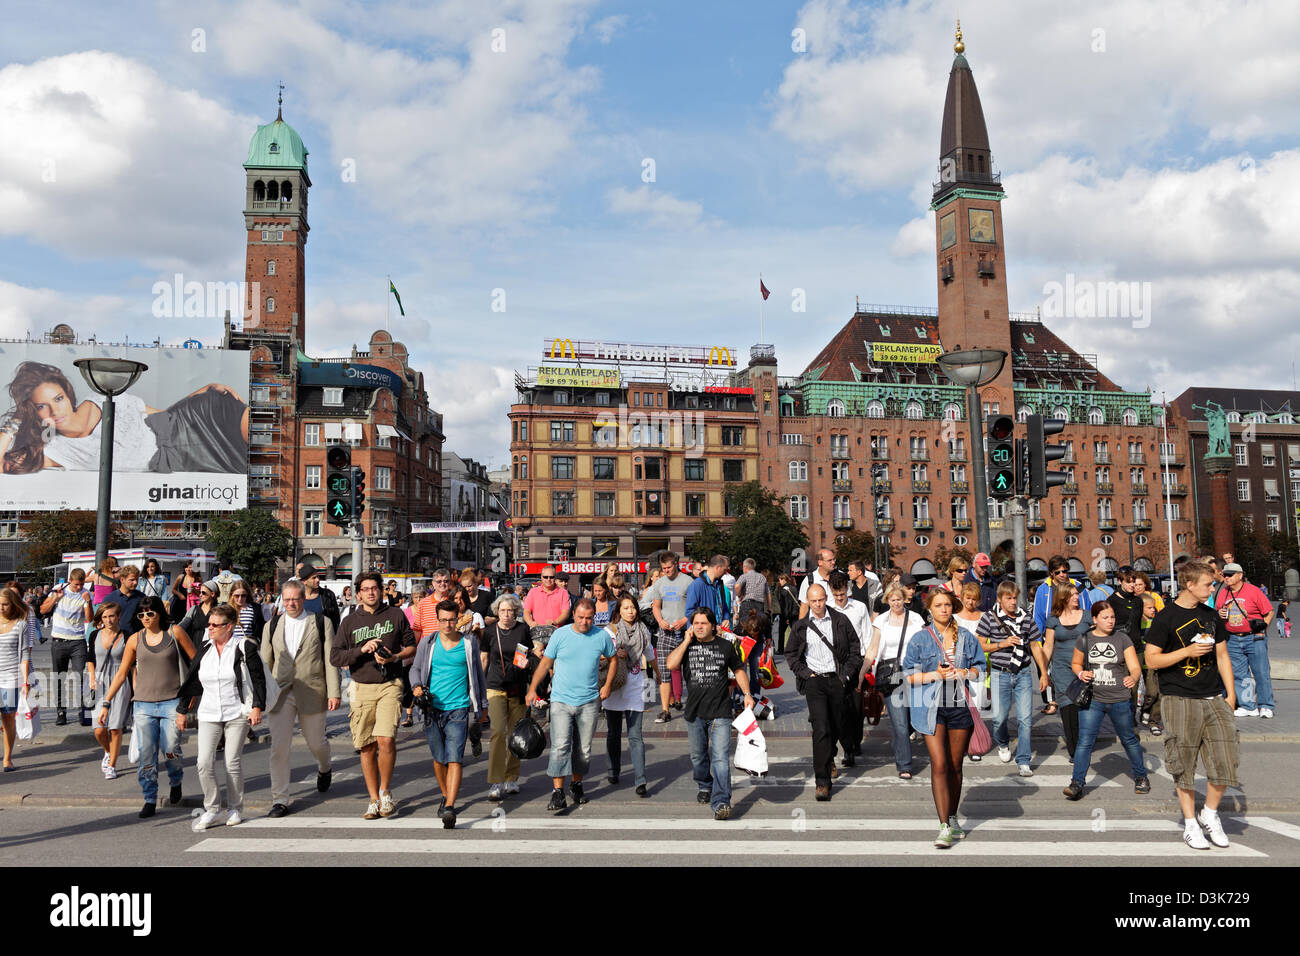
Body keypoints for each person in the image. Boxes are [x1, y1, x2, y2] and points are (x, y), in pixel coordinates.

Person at [0, 360, 248, 473]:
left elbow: (167, 414)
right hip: (181, 459)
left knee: (264, 438)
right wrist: (16, 422)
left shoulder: (106, 395)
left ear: (68, 394)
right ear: (33, 412)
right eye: (42, 406)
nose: (55, 411)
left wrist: (203, 391)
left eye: (58, 399)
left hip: (194, 418)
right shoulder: (55, 449)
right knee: (250, 462)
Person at [1144, 560, 1239, 849]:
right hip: (1179, 698)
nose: (1213, 588)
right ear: (1190, 585)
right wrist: (1186, 651)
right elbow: (1151, 660)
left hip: (1213, 697)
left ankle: (1209, 814)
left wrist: (1231, 694)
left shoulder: (1211, 615)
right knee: (1183, 763)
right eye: (1208, 584)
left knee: (1226, 761)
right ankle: (1190, 825)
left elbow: (1222, 655)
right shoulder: (1166, 618)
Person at [98, 595, 199, 818]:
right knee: (147, 754)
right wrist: (106, 702)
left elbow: (196, 661)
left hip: (172, 701)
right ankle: (149, 798)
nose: (145, 618)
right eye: (141, 614)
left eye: (150, 613)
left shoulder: (175, 633)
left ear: (159, 614)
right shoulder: (134, 639)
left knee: (171, 747)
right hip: (143, 704)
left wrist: (192, 691)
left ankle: (175, 780)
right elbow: (122, 672)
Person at [329, 571, 417, 820]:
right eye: (365, 589)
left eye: (374, 588)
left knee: (386, 740)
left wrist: (394, 657)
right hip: (361, 685)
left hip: (390, 683)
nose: (370, 592)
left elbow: (411, 645)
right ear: (358, 594)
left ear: (381, 591)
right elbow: (335, 657)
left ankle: (386, 792)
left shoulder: (395, 615)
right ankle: (373, 799)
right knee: (366, 746)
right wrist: (361, 649)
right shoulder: (349, 622)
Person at [903, 589, 986, 849]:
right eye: (938, 605)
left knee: (955, 766)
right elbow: (908, 675)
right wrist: (934, 675)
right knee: (938, 764)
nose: (944, 609)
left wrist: (965, 671)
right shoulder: (920, 639)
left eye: (948, 605)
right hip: (931, 707)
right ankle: (944, 826)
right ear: (930, 609)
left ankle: (953, 814)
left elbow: (981, 669)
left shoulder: (966, 638)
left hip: (959, 706)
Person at [177, 603, 266, 830]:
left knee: (231, 762)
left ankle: (235, 808)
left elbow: (257, 679)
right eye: (209, 624)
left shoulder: (243, 647)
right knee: (203, 763)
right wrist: (182, 710)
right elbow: (192, 681)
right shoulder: (205, 648)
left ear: (229, 626)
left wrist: (257, 707)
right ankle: (212, 808)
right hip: (208, 712)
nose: (210, 628)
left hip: (236, 712)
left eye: (215, 625)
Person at [525, 598, 615, 812]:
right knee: (560, 746)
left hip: (589, 700)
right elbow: (546, 662)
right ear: (573, 614)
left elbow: (613, 659)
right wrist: (532, 688)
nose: (584, 622)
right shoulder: (560, 634)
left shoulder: (601, 636)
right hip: (561, 699)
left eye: (589, 618)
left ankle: (576, 784)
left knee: (583, 748)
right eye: (581, 617)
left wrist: (608, 684)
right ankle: (557, 792)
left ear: (594, 617)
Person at [261, 580, 339, 818]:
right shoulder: (272, 625)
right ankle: (280, 799)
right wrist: (260, 696)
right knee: (279, 747)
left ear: (303, 598)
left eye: (295, 599)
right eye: (287, 599)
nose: (291, 603)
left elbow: (330, 659)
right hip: (280, 692)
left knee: (316, 742)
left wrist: (334, 691)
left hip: (312, 689)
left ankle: (324, 768)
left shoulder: (320, 622)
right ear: (281, 601)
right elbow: (265, 663)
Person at [666, 607, 752, 820]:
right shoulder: (687, 646)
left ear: (713, 625)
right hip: (695, 712)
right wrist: (686, 642)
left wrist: (748, 694)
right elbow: (670, 664)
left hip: (720, 712)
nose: (699, 627)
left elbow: (739, 670)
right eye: (696, 623)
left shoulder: (725, 646)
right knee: (698, 757)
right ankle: (705, 784)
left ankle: (722, 801)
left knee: (720, 759)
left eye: (704, 623)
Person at [410, 599, 486, 829]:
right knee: (439, 758)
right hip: (432, 709)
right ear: (437, 620)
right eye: (443, 620)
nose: (447, 624)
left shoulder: (469, 643)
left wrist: (481, 706)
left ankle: (450, 806)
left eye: (452, 620)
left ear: (457, 619)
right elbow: (415, 668)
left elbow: (478, 676)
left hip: (458, 708)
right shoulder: (428, 642)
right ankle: (445, 794)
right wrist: (415, 685)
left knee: (454, 757)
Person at [1062, 602, 1149, 799]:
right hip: (1093, 699)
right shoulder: (1084, 639)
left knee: (1129, 739)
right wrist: (1081, 672)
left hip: (1119, 698)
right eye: (1105, 617)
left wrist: (1133, 677)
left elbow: (1135, 667)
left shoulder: (1122, 638)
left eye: (1112, 617)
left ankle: (1141, 776)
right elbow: (1075, 663)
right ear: (1094, 620)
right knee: (1085, 741)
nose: (1110, 621)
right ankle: (1077, 783)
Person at [785, 583, 863, 801]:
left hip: (837, 680)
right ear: (808, 602)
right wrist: (805, 673)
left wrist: (845, 674)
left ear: (825, 598)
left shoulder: (840, 621)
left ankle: (829, 757)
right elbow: (790, 653)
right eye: (813, 601)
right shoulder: (802, 626)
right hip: (815, 683)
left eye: (820, 600)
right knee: (821, 729)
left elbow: (856, 650)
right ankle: (822, 782)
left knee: (837, 726)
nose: (818, 605)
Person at [976, 581, 1048, 776]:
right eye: (1008, 598)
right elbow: (980, 645)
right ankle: (1003, 742)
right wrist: (1002, 644)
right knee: (999, 719)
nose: (1013, 601)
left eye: (1015, 597)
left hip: (1023, 672)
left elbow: (1035, 645)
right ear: (1000, 599)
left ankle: (1023, 760)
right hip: (1000, 672)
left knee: (1025, 719)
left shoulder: (1026, 618)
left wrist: (1043, 674)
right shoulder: (989, 618)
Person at [864, 583, 925, 778]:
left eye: (899, 599)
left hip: (914, 672)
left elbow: (925, 644)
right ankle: (905, 765)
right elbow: (873, 648)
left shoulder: (916, 619)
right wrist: (862, 673)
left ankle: (900, 742)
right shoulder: (881, 621)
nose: (896, 603)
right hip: (891, 675)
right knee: (899, 722)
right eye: (892, 600)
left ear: (905, 599)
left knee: (913, 720)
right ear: (887, 600)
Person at [481, 593, 532, 800]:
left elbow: (525, 655)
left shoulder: (522, 630)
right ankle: (495, 780)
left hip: (517, 687)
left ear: (516, 612)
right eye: (502, 610)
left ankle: (511, 777)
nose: (506, 614)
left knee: (515, 735)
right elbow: (484, 658)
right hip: (495, 686)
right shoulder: (490, 632)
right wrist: (478, 686)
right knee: (498, 733)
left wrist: (525, 664)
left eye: (510, 610)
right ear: (497, 611)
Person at [602, 595, 652, 796]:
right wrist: (614, 653)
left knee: (635, 735)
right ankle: (613, 770)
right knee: (613, 733)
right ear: (619, 611)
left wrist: (658, 675)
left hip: (635, 685)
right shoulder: (610, 631)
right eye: (626, 608)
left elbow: (650, 654)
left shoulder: (643, 630)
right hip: (614, 686)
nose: (630, 611)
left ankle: (640, 780)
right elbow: (599, 654)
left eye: (633, 608)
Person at [1213, 562, 1275, 718]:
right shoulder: (1223, 592)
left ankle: (1266, 705)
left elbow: (1269, 612)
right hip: (1233, 638)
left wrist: (1262, 629)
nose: (1226, 578)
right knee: (1239, 674)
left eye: (1230, 575)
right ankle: (1248, 706)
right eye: (1224, 575)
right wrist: (1219, 614)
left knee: (1261, 672)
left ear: (1240, 575)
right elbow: (1218, 610)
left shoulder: (1253, 591)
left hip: (1253, 637)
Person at [1042, 585, 1092, 758]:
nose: (1076, 597)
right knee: (1067, 707)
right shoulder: (1053, 619)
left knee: (1083, 707)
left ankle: (1084, 743)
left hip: (1084, 668)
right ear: (1063, 598)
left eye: (1077, 594)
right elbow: (1048, 647)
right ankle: (1075, 750)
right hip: (1061, 669)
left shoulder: (1087, 616)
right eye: (1072, 595)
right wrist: (1043, 671)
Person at [826, 571, 870, 766]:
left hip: (857, 660)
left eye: (842, 594)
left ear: (847, 589)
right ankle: (848, 748)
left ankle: (856, 739)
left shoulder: (859, 608)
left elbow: (867, 636)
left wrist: (868, 666)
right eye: (835, 595)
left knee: (856, 706)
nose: (839, 598)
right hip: (834, 663)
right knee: (838, 707)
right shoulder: (826, 610)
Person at [41, 568, 93, 726]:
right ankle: (61, 711)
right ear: (70, 580)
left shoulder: (85, 593)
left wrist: (88, 601)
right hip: (59, 641)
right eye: (77, 584)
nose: (79, 587)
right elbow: (43, 609)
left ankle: (81, 710)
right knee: (59, 677)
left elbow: (89, 619)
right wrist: (55, 598)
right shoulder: (59, 589)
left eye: (82, 584)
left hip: (78, 640)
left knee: (80, 676)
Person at [647, 551, 692, 723]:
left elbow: (695, 607)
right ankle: (665, 710)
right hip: (666, 633)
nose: (666, 571)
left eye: (669, 567)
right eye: (663, 568)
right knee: (664, 671)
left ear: (676, 564)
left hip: (685, 633)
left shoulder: (688, 581)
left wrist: (684, 620)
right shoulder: (659, 584)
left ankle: (693, 707)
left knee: (690, 672)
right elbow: (656, 606)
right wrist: (660, 621)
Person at [91, 602, 130, 778]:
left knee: (115, 728)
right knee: (99, 729)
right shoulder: (94, 635)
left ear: (119, 616)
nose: (108, 620)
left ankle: (112, 765)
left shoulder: (128, 636)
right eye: (104, 617)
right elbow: (90, 658)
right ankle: (108, 751)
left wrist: (136, 690)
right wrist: (91, 677)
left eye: (111, 616)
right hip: (99, 683)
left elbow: (132, 665)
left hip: (120, 682)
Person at [0, 587, 33, 771]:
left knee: (8, 719)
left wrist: (25, 681)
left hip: (11, 677)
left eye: (5, 604)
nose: (2, 608)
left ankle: (7, 758)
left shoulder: (21, 624)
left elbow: (24, 655)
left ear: (13, 605)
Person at [1032, 555, 1093, 637]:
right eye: (1057, 572)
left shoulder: (1079, 587)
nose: (1061, 574)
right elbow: (1038, 617)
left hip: (1078, 633)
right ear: (1051, 573)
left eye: (1064, 571)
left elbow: (1089, 611)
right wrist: (1038, 641)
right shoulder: (1043, 590)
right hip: (1052, 635)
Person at [523, 564, 572, 637]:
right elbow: (526, 612)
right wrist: (531, 623)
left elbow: (565, 613)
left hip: (557, 633)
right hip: (538, 633)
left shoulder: (563, 592)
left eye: (551, 577)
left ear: (555, 578)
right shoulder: (533, 592)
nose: (548, 579)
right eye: (545, 577)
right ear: (541, 578)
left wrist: (555, 622)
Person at [685, 555, 732, 630]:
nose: (726, 573)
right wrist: (708, 626)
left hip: (717, 632)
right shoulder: (696, 585)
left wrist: (726, 619)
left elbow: (724, 606)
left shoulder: (719, 584)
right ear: (717, 568)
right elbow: (690, 612)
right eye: (724, 570)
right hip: (702, 635)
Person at [298, 565, 341, 633]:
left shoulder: (328, 595)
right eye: (313, 578)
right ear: (304, 581)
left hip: (325, 639)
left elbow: (336, 620)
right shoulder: (297, 597)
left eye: (318, 577)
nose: (318, 580)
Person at [797, 548, 837, 618]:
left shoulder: (840, 576)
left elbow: (848, 600)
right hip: (818, 623)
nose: (833, 562)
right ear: (820, 562)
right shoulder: (809, 580)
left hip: (839, 624)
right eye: (829, 560)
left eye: (834, 559)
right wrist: (801, 628)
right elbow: (804, 607)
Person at [110, 565, 147, 635]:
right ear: (122, 580)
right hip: (116, 639)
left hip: (136, 638)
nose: (135, 582)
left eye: (137, 579)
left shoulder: (142, 597)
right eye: (132, 580)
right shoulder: (110, 599)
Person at [776, 571, 799, 654]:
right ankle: (797, 649)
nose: (779, 582)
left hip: (786, 614)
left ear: (783, 579)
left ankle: (781, 649)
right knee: (795, 632)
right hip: (795, 613)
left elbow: (785, 605)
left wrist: (786, 617)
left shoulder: (783, 590)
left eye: (780, 580)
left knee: (781, 632)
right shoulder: (794, 588)